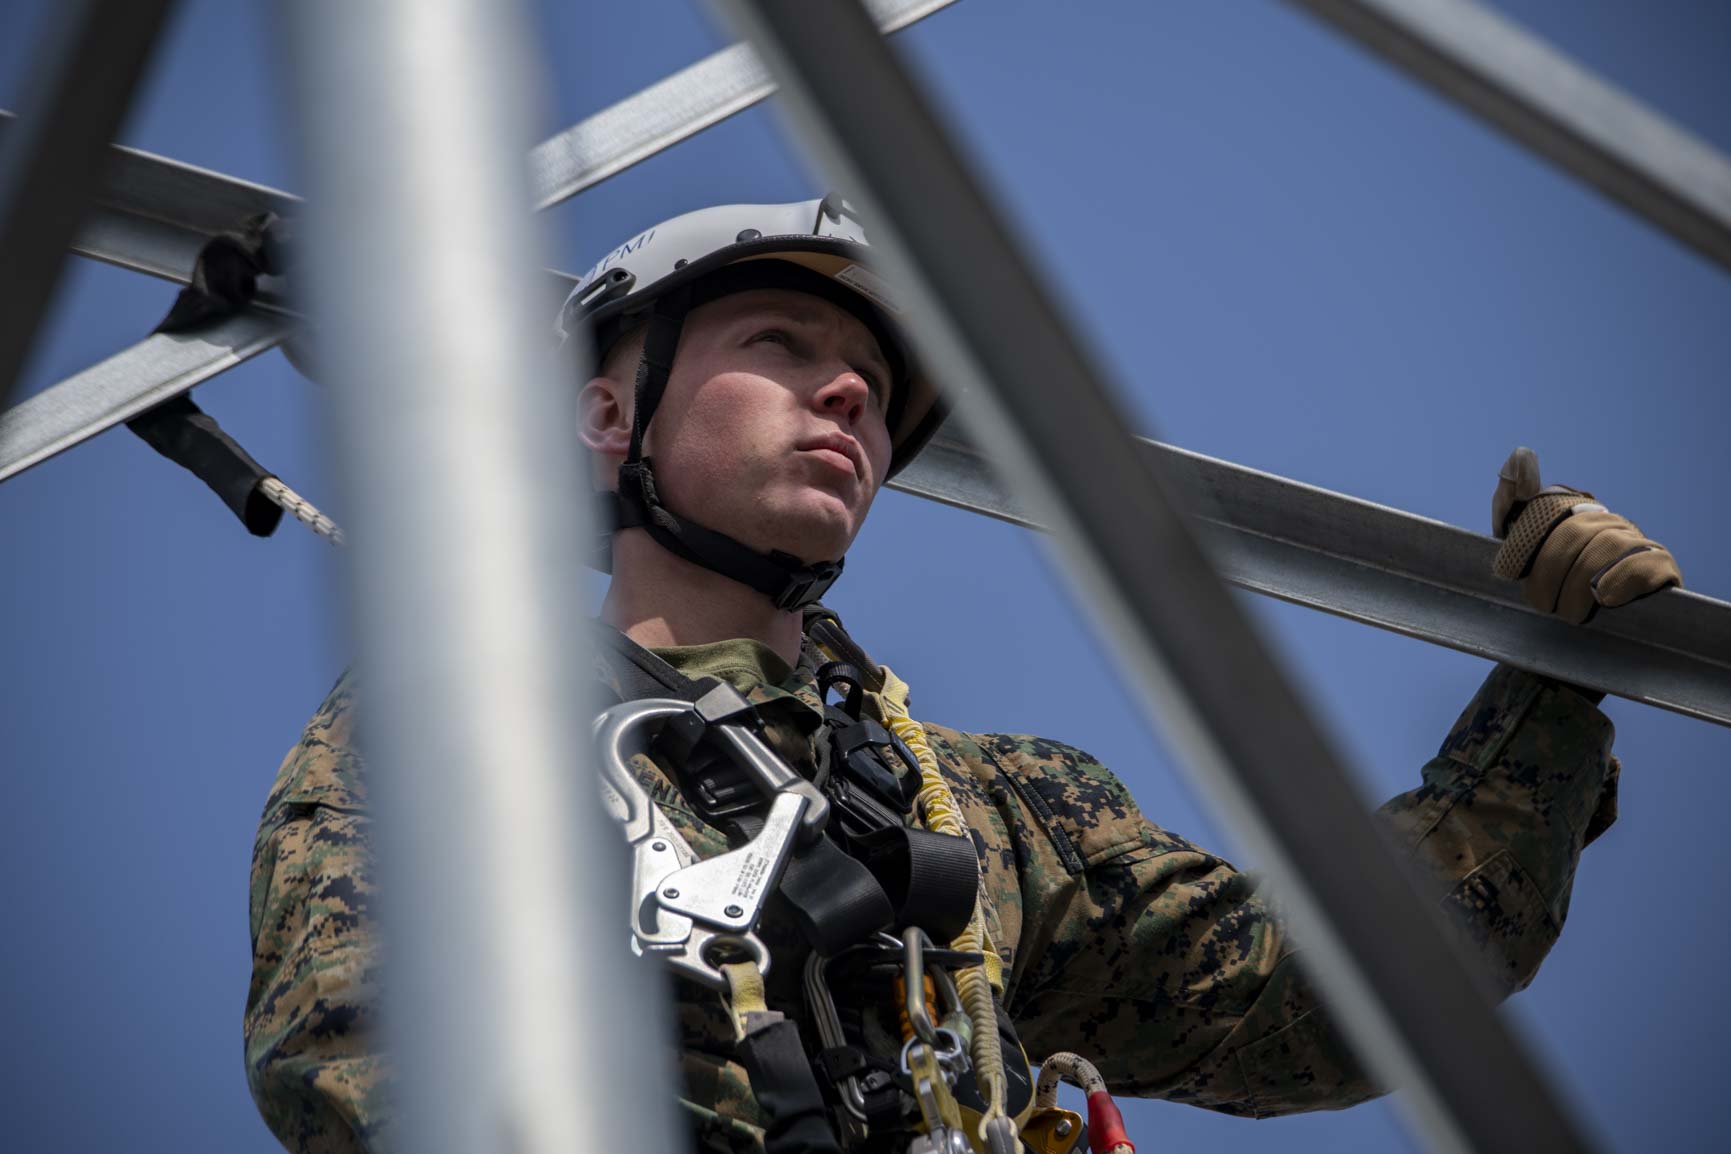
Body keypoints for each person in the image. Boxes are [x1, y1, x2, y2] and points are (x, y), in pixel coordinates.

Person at [244, 197, 1681, 1154]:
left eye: (871, 376)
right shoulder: (465, 722)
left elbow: (1326, 995)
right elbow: (356, 1051)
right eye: (781, 344)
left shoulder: (993, 807)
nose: (851, 393)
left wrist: (1545, 693)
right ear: (608, 413)